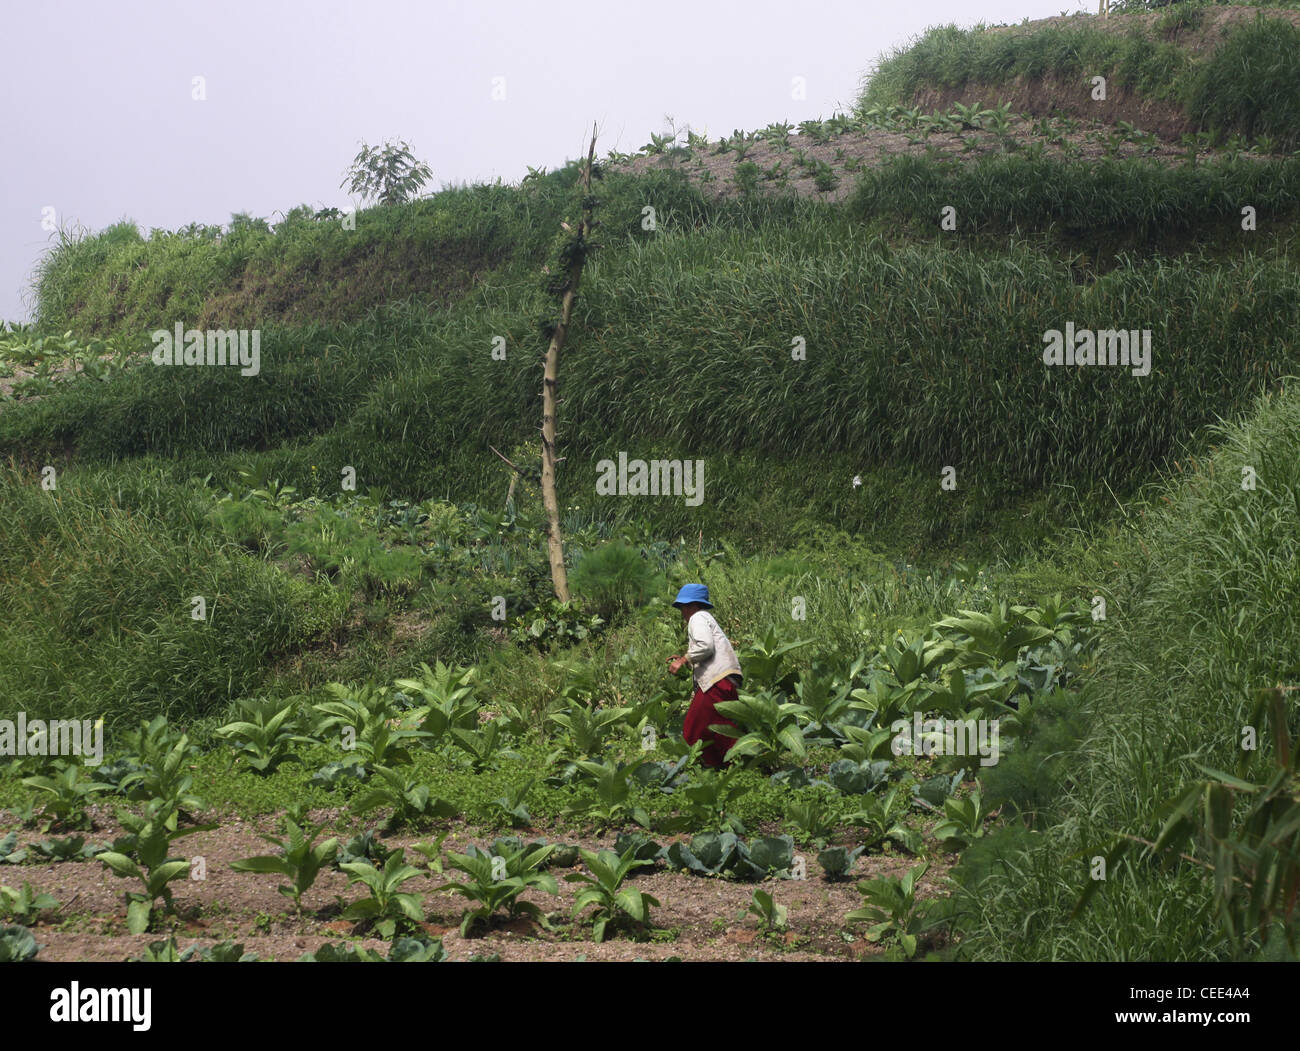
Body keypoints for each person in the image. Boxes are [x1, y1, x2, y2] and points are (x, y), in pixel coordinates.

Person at [666, 583, 744, 768]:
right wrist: (687, 658)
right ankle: (725, 769)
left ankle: (741, 761)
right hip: (725, 680)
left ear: (692, 606)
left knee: (693, 729)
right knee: (714, 728)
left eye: (683, 607)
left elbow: (706, 646)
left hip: (718, 681)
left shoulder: (698, 617)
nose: (682, 612)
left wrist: (683, 660)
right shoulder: (705, 618)